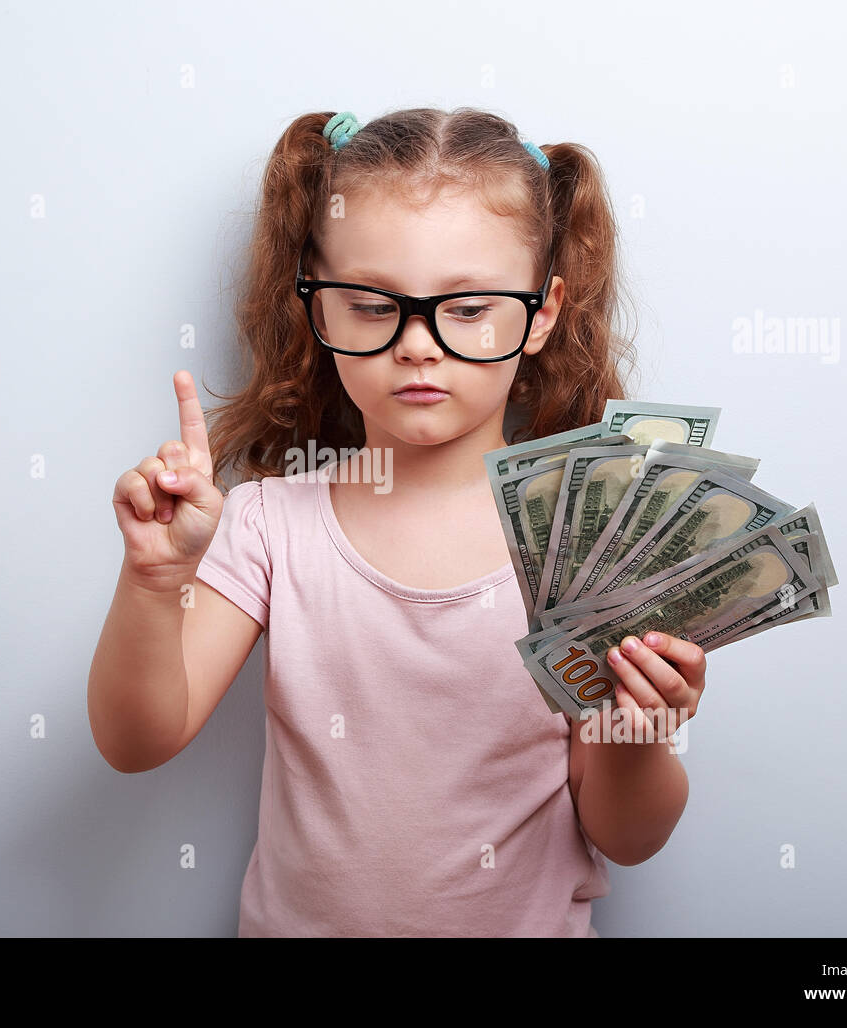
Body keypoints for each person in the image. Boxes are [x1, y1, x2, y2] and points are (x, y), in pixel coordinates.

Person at [88, 107, 709, 937]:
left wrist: (639, 731)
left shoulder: (588, 548)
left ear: (543, 312)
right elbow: (137, 740)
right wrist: (154, 582)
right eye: (374, 304)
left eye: (468, 308)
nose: (419, 345)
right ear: (318, 304)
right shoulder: (269, 523)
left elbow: (626, 837)